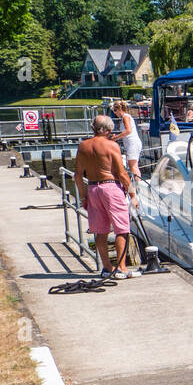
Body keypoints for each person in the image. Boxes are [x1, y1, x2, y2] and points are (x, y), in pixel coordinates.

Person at [75, 115, 139, 279]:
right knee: (122, 229)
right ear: (108, 130)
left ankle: (107, 268)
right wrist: (132, 194)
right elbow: (122, 173)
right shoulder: (112, 145)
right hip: (111, 187)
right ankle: (122, 268)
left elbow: (77, 175)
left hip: (92, 188)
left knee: (100, 231)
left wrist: (83, 197)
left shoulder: (83, 146)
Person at [111, 99, 144, 181]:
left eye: (115, 110)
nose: (115, 113)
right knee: (134, 166)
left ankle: (137, 186)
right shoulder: (124, 118)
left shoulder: (126, 117)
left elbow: (128, 131)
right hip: (132, 143)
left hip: (132, 143)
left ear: (120, 109)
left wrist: (116, 137)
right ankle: (138, 185)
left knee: (133, 166)